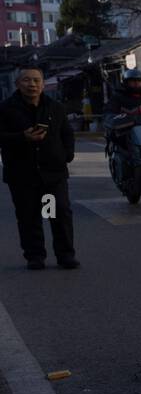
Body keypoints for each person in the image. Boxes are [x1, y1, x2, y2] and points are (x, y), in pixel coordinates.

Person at [0, 67, 79, 269]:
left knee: (56, 212)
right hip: (22, 175)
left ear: (43, 84)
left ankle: (65, 255)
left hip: (51, 175)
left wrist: (66, 155)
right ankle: (35, 256)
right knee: (29, 216)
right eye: (26, 80)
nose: (32, 84)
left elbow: (67, 134)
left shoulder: (55, 107)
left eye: (36, 80)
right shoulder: (7, 109)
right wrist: (21, 137)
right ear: (18, 84)